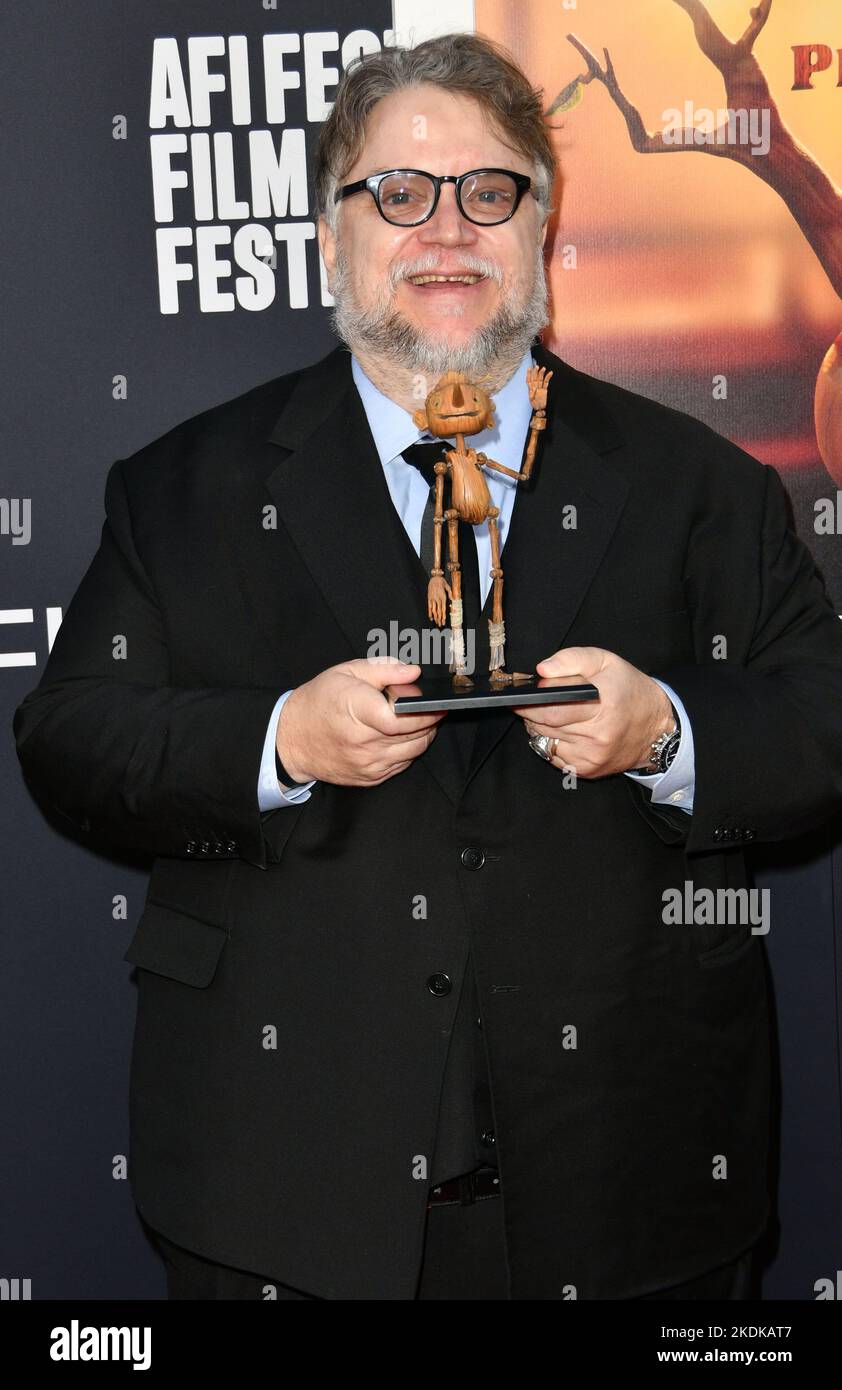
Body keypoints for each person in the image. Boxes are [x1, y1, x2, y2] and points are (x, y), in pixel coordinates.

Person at [13, 33, 842, 1301]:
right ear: (330, 236)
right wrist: (276, 742)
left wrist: (665, 733)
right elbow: (71, 737)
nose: (445, 228)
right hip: (286, 1188)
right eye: (397, 192)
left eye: (488, 191)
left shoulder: (701, 488)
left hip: (636, 1185)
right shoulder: (186, 488)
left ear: (542, 228)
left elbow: (821, 724)